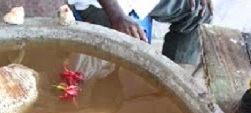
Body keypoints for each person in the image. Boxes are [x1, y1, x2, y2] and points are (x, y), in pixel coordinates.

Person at [68, 0, 213, 65]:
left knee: (200, 15)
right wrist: (117, 17)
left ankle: (176, 76)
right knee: (132, 57)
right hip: (103, 5)